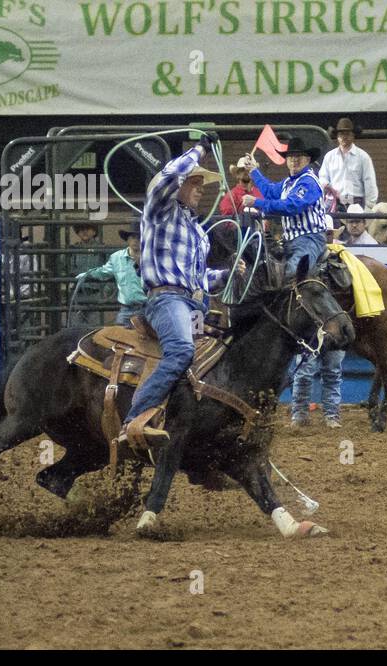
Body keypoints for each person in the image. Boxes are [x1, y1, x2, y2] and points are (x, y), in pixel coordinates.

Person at [122, 131, 243, 449]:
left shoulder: (197, 232)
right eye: (196, 183)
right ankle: (133, 421)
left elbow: (199, 277)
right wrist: (199, 150)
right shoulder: (160, 209)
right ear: (181, 185)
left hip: (194, 304)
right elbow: (168, 176)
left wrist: (228, 274)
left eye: (202, 184)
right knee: (181, 352)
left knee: (213, 359)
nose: (201, 190)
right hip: (166, 300)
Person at [243, 132, 330, 282]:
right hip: (291, 241)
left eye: (299, 156)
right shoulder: (288, 183)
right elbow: (270, 191)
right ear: (286, 160)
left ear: (307, 159)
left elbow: (291, 206)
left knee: (291, 275)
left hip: (309, 240)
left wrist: (256, 202)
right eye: (290, 156)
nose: (294, 160)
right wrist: (253, 171)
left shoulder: (309, 182)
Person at [77, 218, 147, 327]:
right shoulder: (116, 258)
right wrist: (87, 274)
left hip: (148, 307)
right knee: (116, 336)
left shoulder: (152, 258)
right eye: (133, 237)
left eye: (139, 237)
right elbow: (103, 271)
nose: (136, 240)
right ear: (128, 239)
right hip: (127, 309)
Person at [318, 117, 378, 210]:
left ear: (353, 136)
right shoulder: (329, 156)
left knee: (355, 224)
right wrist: (327, 187)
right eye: (341, 134)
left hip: (357, 203)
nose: (344, 137)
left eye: (348, 134)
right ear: (337, 136)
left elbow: (369, 182)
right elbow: (322, 177)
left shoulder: (363, 157)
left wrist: (369, 206)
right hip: (335, 203)